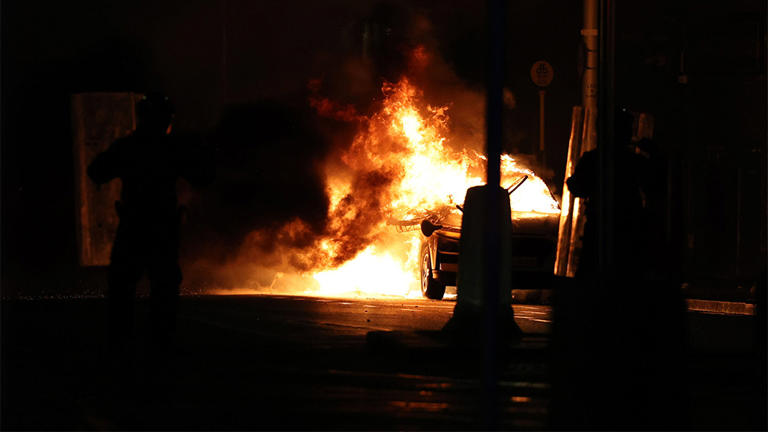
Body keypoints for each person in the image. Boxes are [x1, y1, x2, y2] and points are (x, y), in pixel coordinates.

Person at [88, 93, 212, 373]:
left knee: (123, 286)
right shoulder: (171, 149)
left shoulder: (128, 148)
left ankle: (120, 345)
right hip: (162, 229)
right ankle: (159, 346)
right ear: (164, 120)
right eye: (167, 118)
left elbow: (96, 171)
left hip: (133, 226)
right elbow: (203, 177)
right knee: (164, 287)